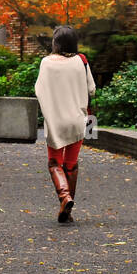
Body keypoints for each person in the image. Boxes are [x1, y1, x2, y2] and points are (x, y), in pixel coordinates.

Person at [34, 25, 95, 224]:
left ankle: (64, 197)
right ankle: (67, 212)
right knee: (71, 164)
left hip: (56, 121)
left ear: (56, 43)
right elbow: (91, 90)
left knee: (54, 162)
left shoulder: (46, 62)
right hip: (77, 121)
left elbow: (39, 90)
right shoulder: (81, 61)